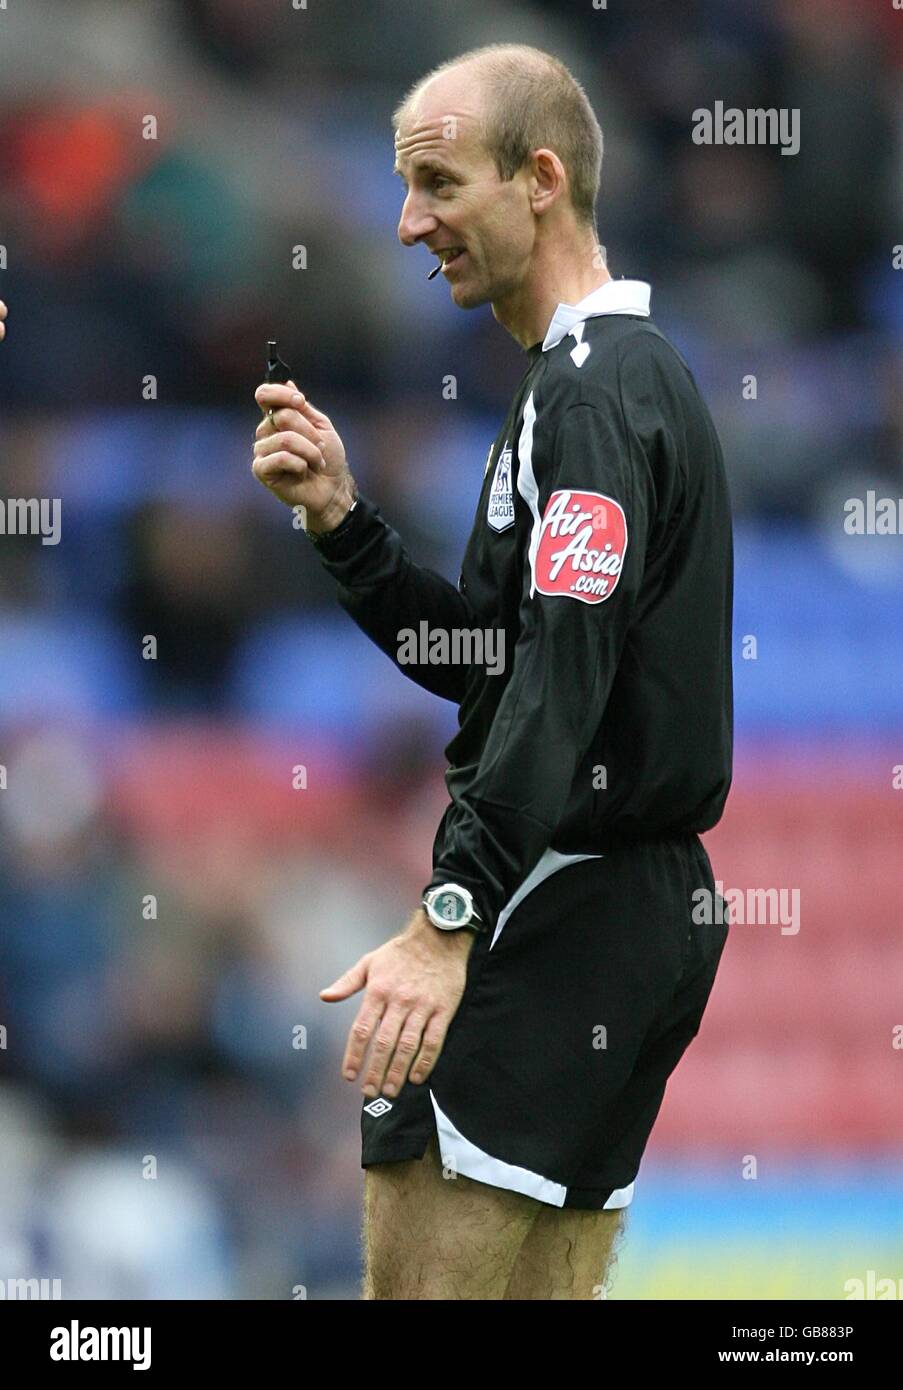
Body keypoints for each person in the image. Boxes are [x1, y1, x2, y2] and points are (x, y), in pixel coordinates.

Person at [252, 43, 733, 1300]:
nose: (410, 223)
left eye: (437, 184)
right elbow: (497, 665)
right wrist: (347, 525)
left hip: (559, 901)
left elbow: (562, 679)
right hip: (646, 908)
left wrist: (450, 913)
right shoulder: (617, 383)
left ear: (539, 178)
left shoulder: (588, 394)